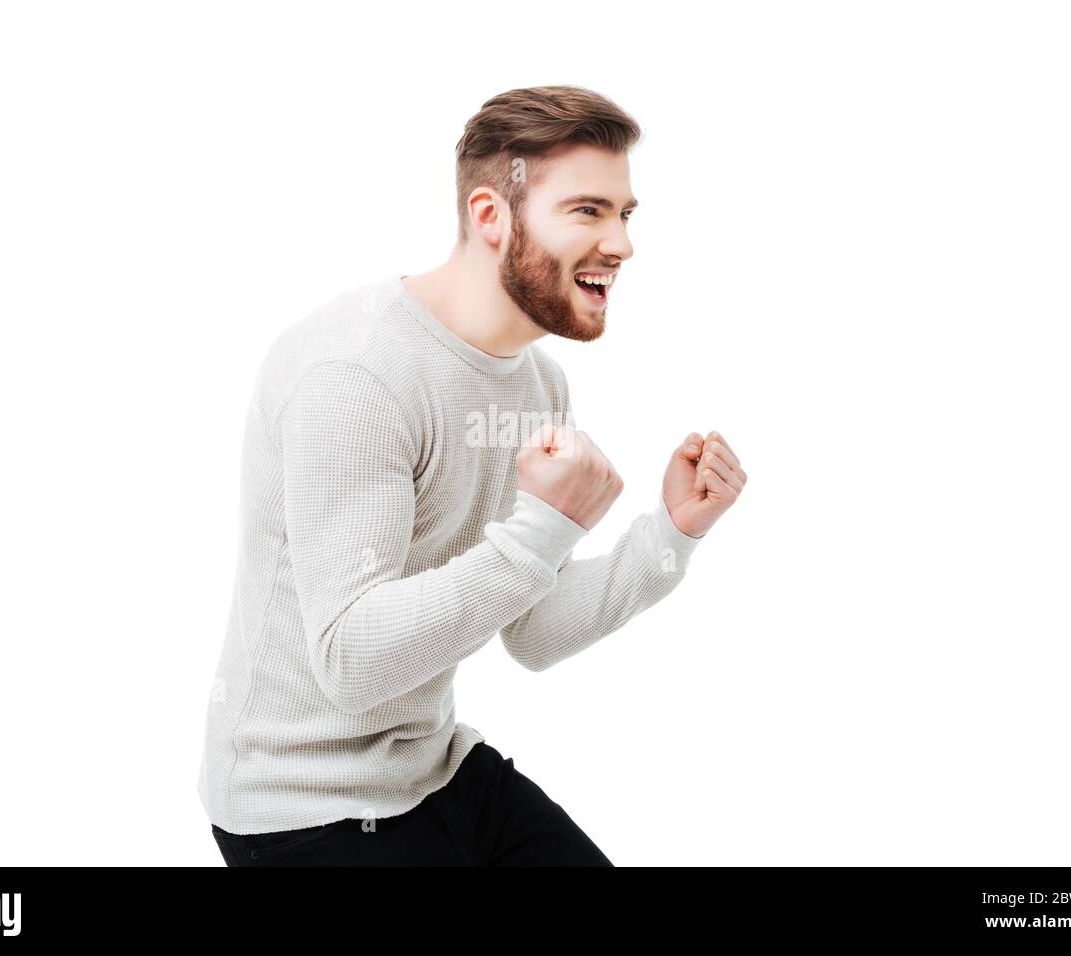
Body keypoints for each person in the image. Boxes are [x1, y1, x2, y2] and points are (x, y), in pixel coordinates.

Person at [197, 85, 748, 866]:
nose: (622, 244)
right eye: (588, 211)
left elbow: (531, 629)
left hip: (434, 769)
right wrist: (538, 532)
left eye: (625, 215)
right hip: (300, 810)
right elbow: (350, 664)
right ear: (491, 217)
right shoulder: (355, 376)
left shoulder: (539, 385)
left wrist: (670, 536)